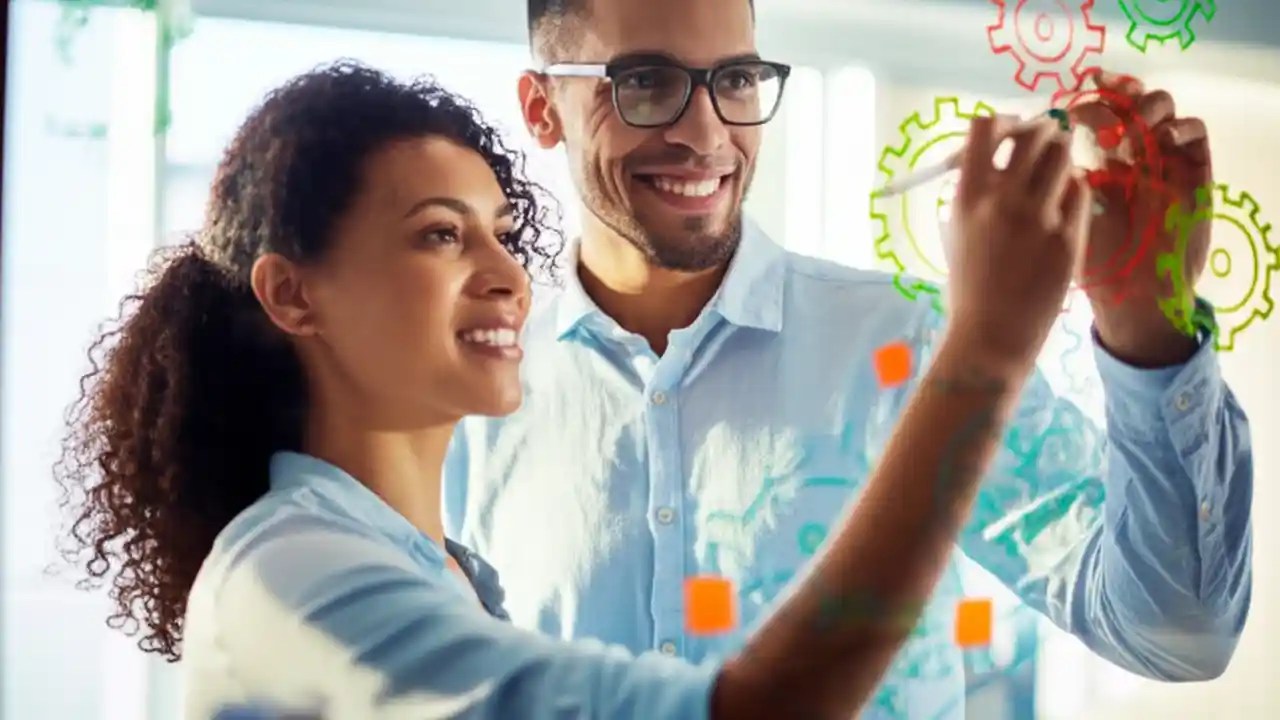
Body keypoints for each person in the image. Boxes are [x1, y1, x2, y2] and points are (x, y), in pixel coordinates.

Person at [55, 60, 1096, 719]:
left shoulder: (448, 572)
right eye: (437, 235)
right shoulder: (298, 575)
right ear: (294, 295)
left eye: (500, 233)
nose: (506, 272)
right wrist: (984, 349)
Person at [441, 0, 1254, 715]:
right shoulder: (460, 404)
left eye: (736, 80)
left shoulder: (912, 345)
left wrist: (1149, 329)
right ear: (542, 106)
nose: (705, 134)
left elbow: (1177, 634)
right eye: (647, 82)